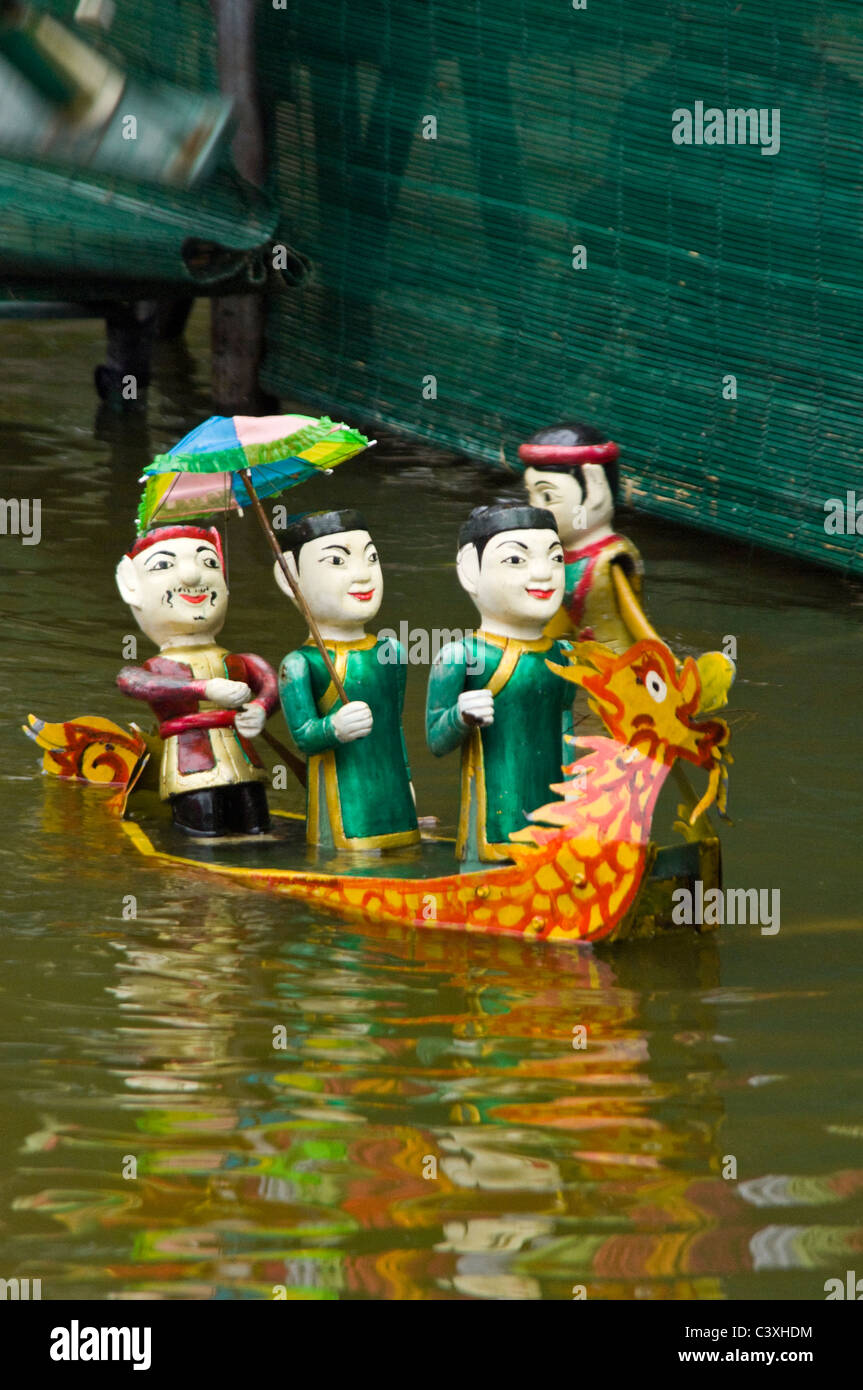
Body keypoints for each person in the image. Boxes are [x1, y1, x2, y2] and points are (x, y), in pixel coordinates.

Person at [426, 502, 574, 863]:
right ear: (470, 571)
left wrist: (577, 784)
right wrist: (459, 717)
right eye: (516, 560)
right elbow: (435, 740)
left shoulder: (566, 653)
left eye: (555, 559)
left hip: (555, 820)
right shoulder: (461, 655)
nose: (543, 574)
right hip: (492, 824)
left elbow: (565, 727)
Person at [115, 524, 278, 836]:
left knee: (257, 821)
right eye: (164, 565)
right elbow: (133, 682)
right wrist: (203, 688)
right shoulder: (157, 665)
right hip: (189, 764)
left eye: (209, 562)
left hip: (243, 760)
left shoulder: (239, 660)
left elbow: (270, 683)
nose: (192, 577)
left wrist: (260, 708)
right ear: (130, 586)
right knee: (205, 826)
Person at [275, 509, 420, 851]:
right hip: (343, 800)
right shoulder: (300, 664)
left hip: (395, 791)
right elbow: (303, 737)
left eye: (372, 558)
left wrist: (408, 778)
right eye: (338, 562)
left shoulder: (391, 650)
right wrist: (333, 728)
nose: (363, 575)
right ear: (289, 579)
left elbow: (394, 727)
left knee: (408, 855)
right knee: (353, 859)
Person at [519, 420, 659, 652]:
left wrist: (669, 665)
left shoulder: (608, 562)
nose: (535, 508)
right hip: (580, 663)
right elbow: (560, 619)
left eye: (547, 497)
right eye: (531, 495)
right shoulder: (560, 557)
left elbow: (637, 624)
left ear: (596, 493)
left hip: (616, 669)